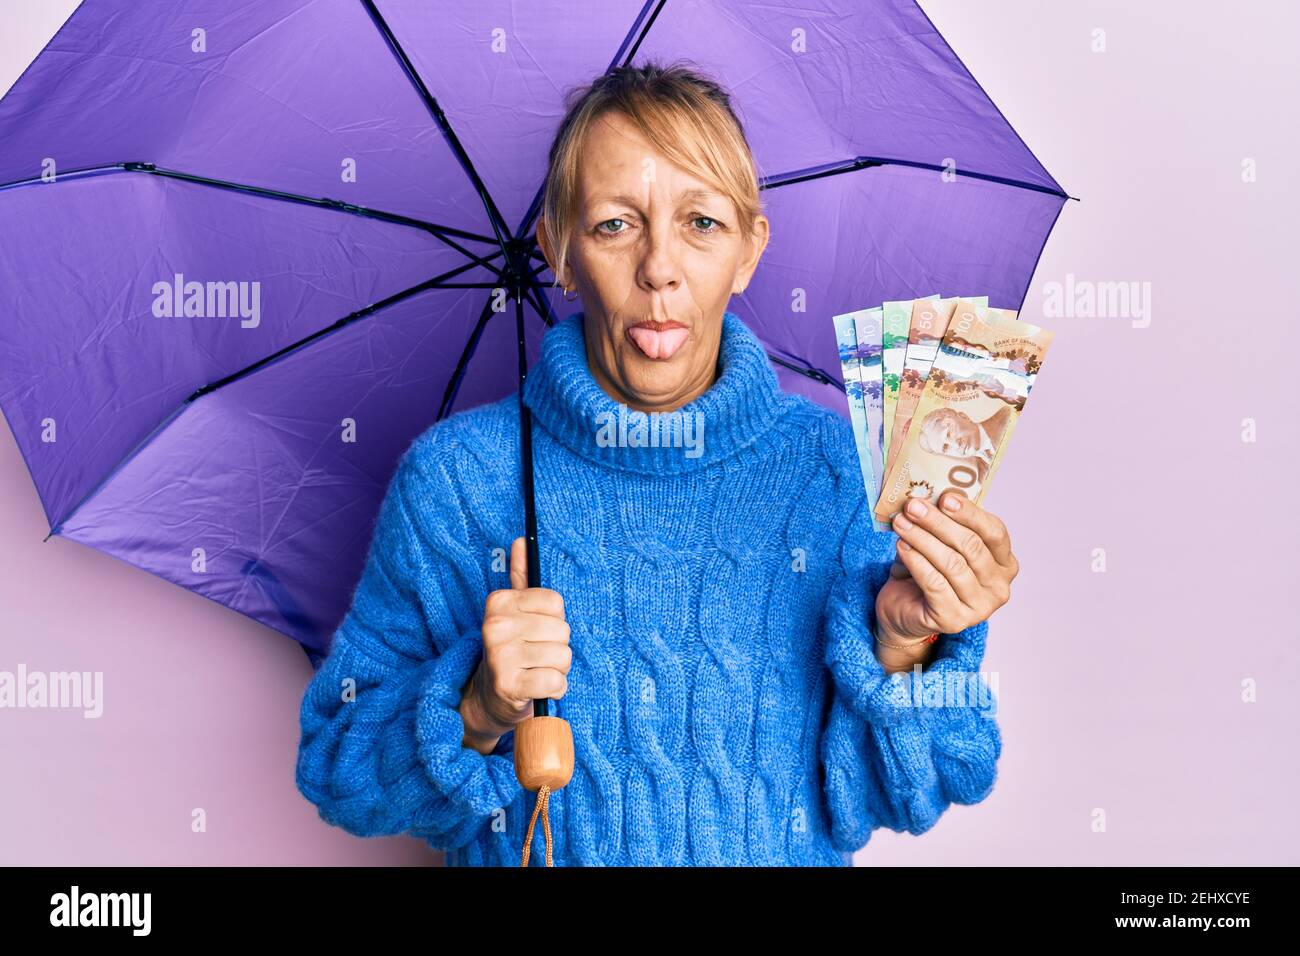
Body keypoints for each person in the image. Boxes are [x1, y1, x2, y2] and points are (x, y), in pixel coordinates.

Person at [296, 60, 1019, 866]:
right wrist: (476, 706)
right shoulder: (457, 480)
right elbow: (336, 770)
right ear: (559, 250)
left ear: (750, 249)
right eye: (615, 224)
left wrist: (903, 647)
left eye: (702, 223)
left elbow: (928, 785)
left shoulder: (835, 469)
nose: (659, 269)